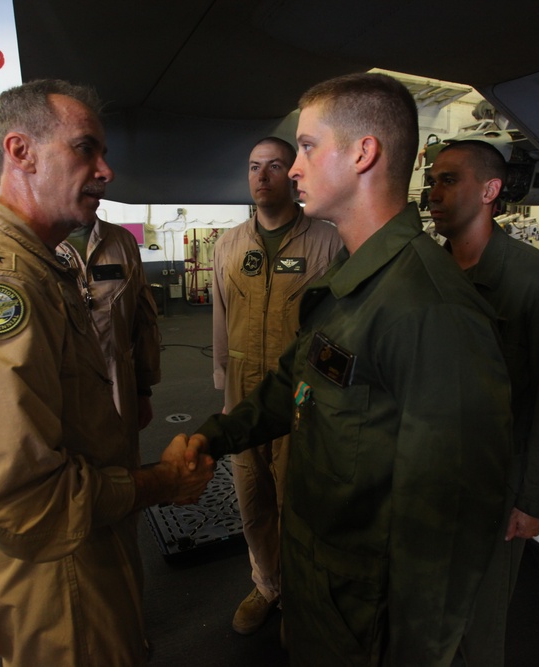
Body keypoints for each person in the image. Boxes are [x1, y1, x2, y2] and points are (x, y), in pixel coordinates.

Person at [188, 72, 513, 666]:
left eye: (308, 147)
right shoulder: (352, 283)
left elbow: (451, 526)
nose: (291, 168)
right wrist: (215, 436)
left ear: (364, 153)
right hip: (320, 591)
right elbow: (295, 383)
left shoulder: (431, 311)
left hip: (367, 620)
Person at [0, 79, 213, 667]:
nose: (105, 170)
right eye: (85, 149)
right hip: (62, 578)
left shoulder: (38, 264)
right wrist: (162, 483)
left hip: (86, 548)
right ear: (20, 152)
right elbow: (26, 500)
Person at [427, 140, 539, 667]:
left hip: (495, 490)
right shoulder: (426, 275)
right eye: (432, 180)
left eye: (449, 180)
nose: (434, 192)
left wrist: (535, 499)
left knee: (478, 624)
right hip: (425, 475)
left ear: (491, 190)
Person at [212, 136, 342, 635]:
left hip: (300, 391)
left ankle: (301, 599)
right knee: (253, 498)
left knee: (297, 499)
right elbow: (221, 323)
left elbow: (336, 326)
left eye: (273, 166)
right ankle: (267, 585)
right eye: (253, 167)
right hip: (243, 391)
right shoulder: (228, 244)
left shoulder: (327, 242)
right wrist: (224, 385)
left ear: (291, 175)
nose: (261, 176)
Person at [56, 216, 161, 448]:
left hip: (118, 381)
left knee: (122, 464)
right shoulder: (35, 242)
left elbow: (143, 320)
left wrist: (143, 389)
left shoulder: (122, 241)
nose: (103, 177)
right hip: (59, 389)